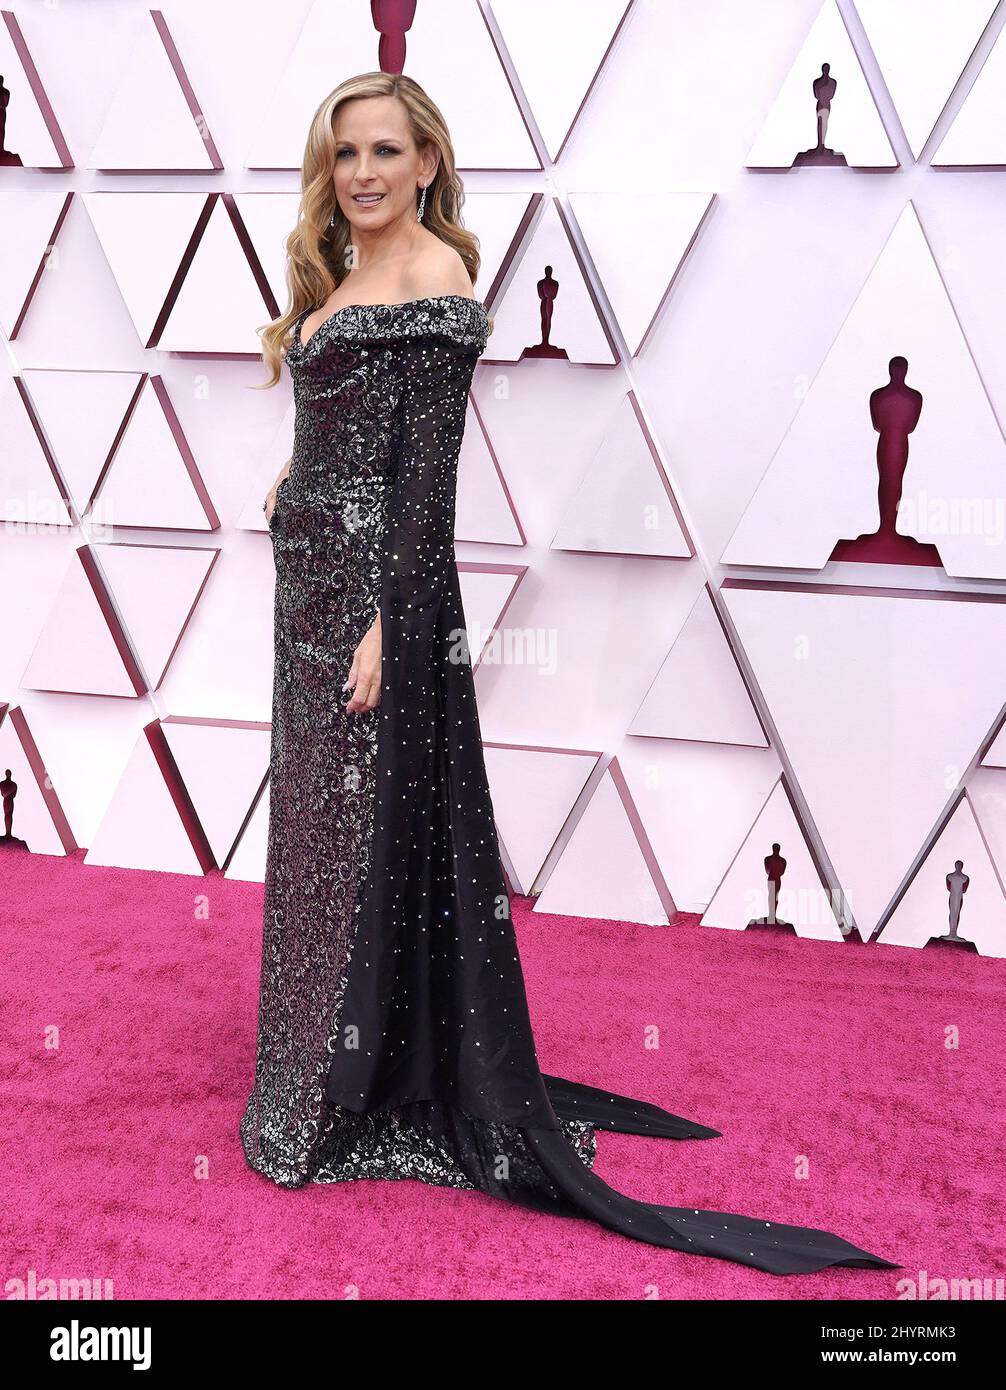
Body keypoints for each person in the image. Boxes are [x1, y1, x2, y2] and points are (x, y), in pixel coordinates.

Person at [239, 70, 897, 1276]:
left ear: (430, 160)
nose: (366, 175)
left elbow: (426, 476)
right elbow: (344, 418)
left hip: (376, 598)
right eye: (346, 155)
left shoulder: (438, 276)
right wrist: (296, 474)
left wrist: (394, 618)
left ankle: (357, 1083)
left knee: (371, 832)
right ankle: (319, 1064)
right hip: (307, 586)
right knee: (320, 836)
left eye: (387, 151)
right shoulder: (339, 270)